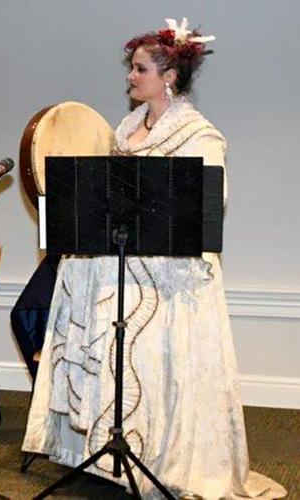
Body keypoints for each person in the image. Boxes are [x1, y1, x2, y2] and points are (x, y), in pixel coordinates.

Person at [22, 18, 286, 498]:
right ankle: (111, 453)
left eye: (140, 69)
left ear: (168, 77)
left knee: (152, 359)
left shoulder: (199, 135)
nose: (130, 76)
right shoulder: (127, 126)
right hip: (123, 262)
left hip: (169, 275)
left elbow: (207, 199)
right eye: (132, 68)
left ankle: (163, 454)